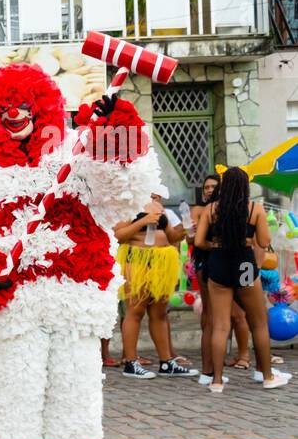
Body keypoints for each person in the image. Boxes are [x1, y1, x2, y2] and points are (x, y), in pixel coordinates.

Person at [0, 64, 163, 439]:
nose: (16, 113)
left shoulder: (80, 149)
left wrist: (114, 133)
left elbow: (124, 196)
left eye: (26, 105)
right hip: (16, 297)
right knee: (13, 381)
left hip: (78, 292)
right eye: (5, 107)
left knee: (78, 382)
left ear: (44, 108)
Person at [193, 165, 290, 392]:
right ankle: (267, 376)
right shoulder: (254, 208)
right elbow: (264, 242)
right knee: (258, 322)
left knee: (220, 326)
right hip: (244, 265)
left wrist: (214, 244)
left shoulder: (211, 209)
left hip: (218, 264)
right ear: (246, 187)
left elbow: (198, 242)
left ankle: (216, 381)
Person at [114, 194, 196, 378]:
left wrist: (184, 228)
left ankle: (166, 362)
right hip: (137, 261)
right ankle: (131, 362)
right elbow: (118, 235)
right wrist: (142, 221)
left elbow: (171, 235)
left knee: (159, 313)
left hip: (162, 263)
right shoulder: (129, 203)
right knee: (135, 311)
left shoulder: (159, 206)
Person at [190, 173, 252, 384]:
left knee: (232, 317)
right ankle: (211, 372)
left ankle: (217, 371)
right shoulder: (207, 209)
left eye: (213, 187)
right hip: (216, 263)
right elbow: (195, 240)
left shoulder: (217, 209)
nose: (208, 190)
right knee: (218, 320)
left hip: (218, 263)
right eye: (206, 187)